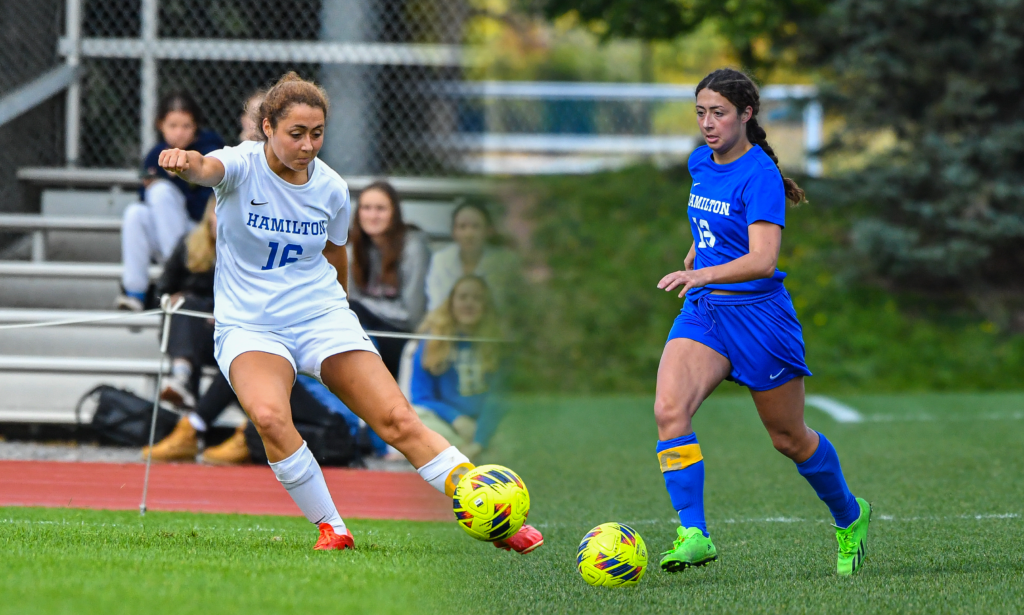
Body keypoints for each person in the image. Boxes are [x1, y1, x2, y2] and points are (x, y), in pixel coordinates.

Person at [156, 71, 542, 552]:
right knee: (271, 418)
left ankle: (496, 517)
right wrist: (182, 161)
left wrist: (340, 322)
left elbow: (337, 259)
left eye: (317, 133)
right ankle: (332, 526)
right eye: (296, 133)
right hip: (251, 326)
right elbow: (203, 168)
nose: (308, 144)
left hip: (320, 316)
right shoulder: (240, 164)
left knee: (398, 420)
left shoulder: (333, 189)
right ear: (268, 126)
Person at [652, 68, 870, 576]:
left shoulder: (762, 176)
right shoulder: (700, 162)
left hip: (758, 319)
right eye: (701, 112)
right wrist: (698, 250)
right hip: (706, 313)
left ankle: (850, 515)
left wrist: (703, 271)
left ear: (746, 114)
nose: (708, 123)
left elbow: (764, 259)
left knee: (788, 438)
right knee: (669, 410)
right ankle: (694, 534)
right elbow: (712, 220)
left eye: (719, 113)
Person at [117, 91, 224, 311]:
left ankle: (177, 273)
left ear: (196, 126)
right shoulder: (156, 153)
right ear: (160, 125)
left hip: (197, 236)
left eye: (186, 126)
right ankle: (135, 292)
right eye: (173, 125)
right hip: (169, 238)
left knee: (161, 191)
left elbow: (207, 206)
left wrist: (182, 180)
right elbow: (144, 198)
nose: (179, 133)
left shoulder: (209, 149)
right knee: (135, 213)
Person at [410, 275, 506, 461]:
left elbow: (500, 398)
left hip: (488, 424)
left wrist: (480, 438)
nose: (469, 304)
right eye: (463, 297)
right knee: (418, 419)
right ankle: (465, 453)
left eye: (477, 298)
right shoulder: (432, 342)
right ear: (451, 303)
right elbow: (420, 397)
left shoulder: (498, 344)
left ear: (486, 305)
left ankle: (467, 453)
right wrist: (456, 419)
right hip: (447, 424)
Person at [346, 180, 430, 378]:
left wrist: (364, 306)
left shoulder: (413, 247)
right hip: (367, 331)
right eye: (366, 208)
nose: (373, 216)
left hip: (401, 335)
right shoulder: (353, 249)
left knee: (353, 309)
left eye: (381, 209)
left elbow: (413, 315)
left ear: (395, 213)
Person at [151, 199, 217, 410]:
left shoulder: (249, 252)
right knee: (185, 307)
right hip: (185, 324)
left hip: (221, 331)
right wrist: (168, 300)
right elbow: (161, 290)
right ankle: (183, 383)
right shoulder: (188, 244)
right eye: (218, 213)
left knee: (189, 313)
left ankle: (181, 380)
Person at [425, 203, 516, 312]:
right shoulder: (440, 260)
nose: (469, 234)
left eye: (476, 226)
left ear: (489, 231)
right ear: (454, 232)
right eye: (462, 227)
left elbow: (506, 310)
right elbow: (436, 308)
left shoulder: (505, 262)